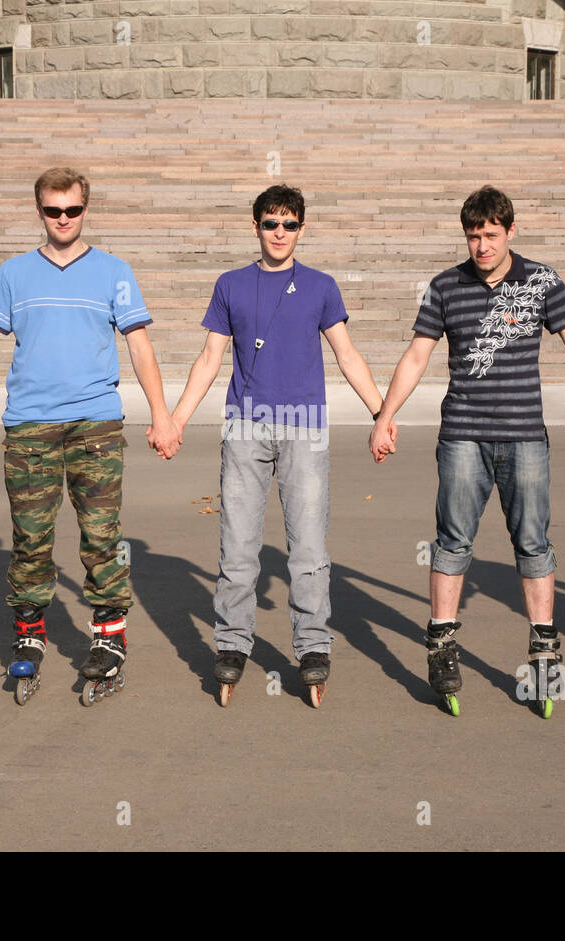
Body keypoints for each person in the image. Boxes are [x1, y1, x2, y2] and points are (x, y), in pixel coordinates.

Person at [369, 185, 565, 717]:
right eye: (473, 237)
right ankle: (443, 643)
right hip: (463, 435)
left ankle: (543, 646)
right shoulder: (446, 286)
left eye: (491, 236)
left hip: (524, 436)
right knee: (452, 541)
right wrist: (385, 416)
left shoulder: (542, 281)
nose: (482, 246)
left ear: (510, 231)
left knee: (533, 543)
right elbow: (416, 354)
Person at [0, 167, 178, 706]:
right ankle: (30, 632)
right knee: (31, 539)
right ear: (38, 211)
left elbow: (140, 346)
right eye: (52, 210)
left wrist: (163, 416)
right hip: (30, 427)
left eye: (73, 210)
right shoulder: (14, 273)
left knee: (101, 537)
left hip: (96, 424)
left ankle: (109, 637)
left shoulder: (114, 271)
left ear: (87, 209)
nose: (63, 219)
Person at [171, 184, 394, 707]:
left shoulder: (320, 286)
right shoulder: (230, 284)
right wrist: (176, 419)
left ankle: (313, 648)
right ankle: (231, 644)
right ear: (256, 227)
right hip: (246, 428)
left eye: (289, 225)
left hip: (305, 427)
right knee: (239, 544)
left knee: (309, 547)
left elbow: (347, 353)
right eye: (271, 224)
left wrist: (382, 413)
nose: (279, 233)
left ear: (300, 229)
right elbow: (208, 359)